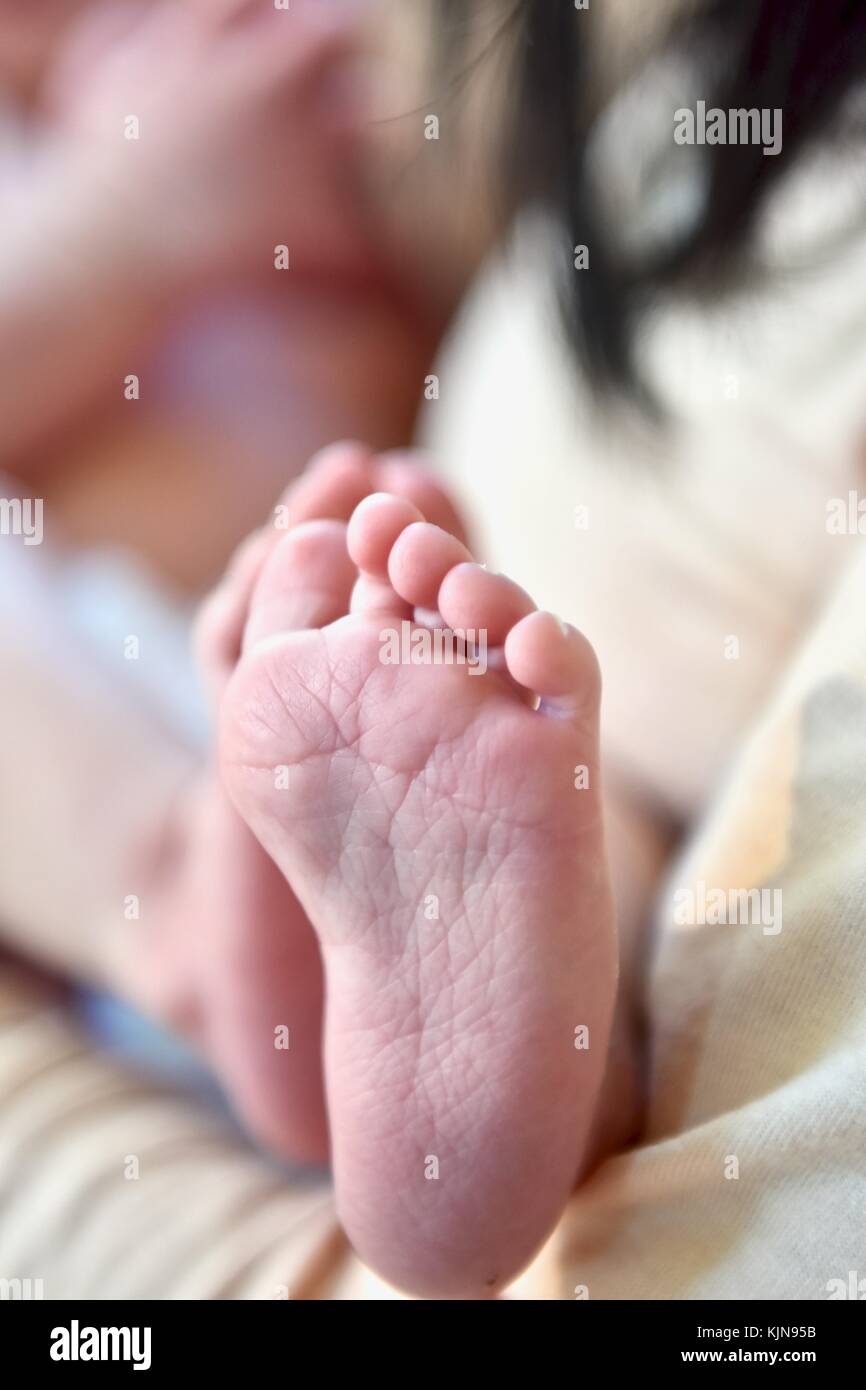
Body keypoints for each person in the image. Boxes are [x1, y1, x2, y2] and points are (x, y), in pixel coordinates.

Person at [3, 0, 866, 1301]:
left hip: (329, 724)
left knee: (572, 830)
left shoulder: (259, 78)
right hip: (125, 749)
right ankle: (193, 896)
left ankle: (500, 1113)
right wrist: (120, 224)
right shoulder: (104, 153)